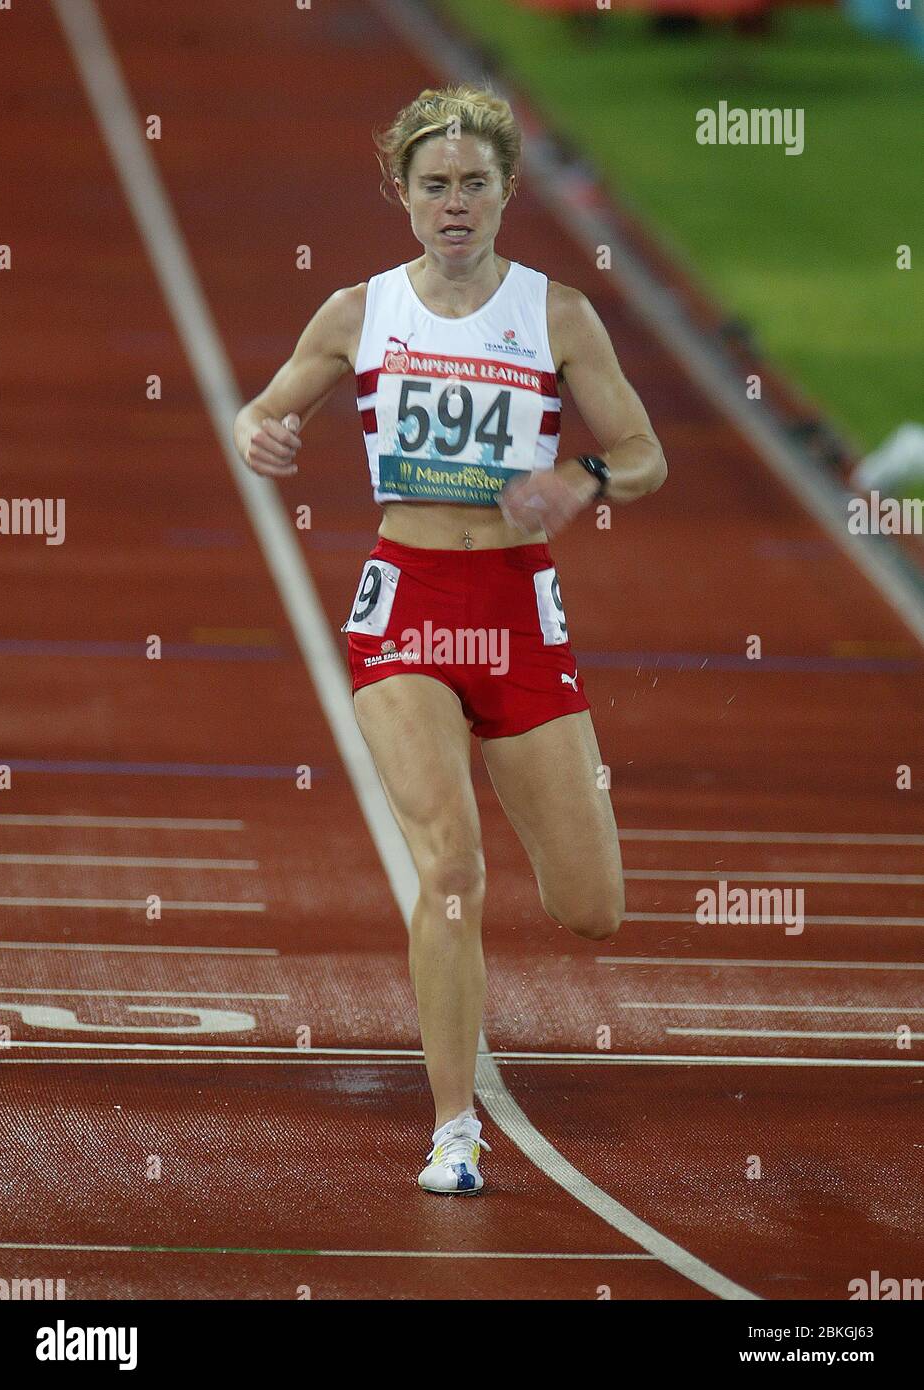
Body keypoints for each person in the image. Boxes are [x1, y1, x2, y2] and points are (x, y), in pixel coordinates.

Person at [233, 84, 667, 1195]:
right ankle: (452, 1126)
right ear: (402, 194)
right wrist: (260, 431)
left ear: (508, 191)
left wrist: (575, 480)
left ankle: (459, 1107)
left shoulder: (557, 314)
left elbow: (642, 454)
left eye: (476, 183)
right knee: (452, 866)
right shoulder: (356, 311)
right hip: (408, 602)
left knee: (592, 908)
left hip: (517, 609)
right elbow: (267, 407)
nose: (456, 203)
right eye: (435, 184)